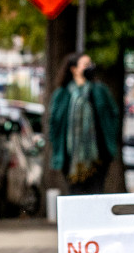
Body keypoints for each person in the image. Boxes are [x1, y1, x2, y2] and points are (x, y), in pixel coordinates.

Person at [48, 52, 121, 195]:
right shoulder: (62, 94)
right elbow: (54, 123)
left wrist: (110, 137)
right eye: (86, 65)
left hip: (98, 155)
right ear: (74, 69)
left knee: (96, 193)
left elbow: (113, 114)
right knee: (75, 194)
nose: (90, 67)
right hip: (70, 157)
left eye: (90, 64)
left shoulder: (99, 90)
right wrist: (56, 146)